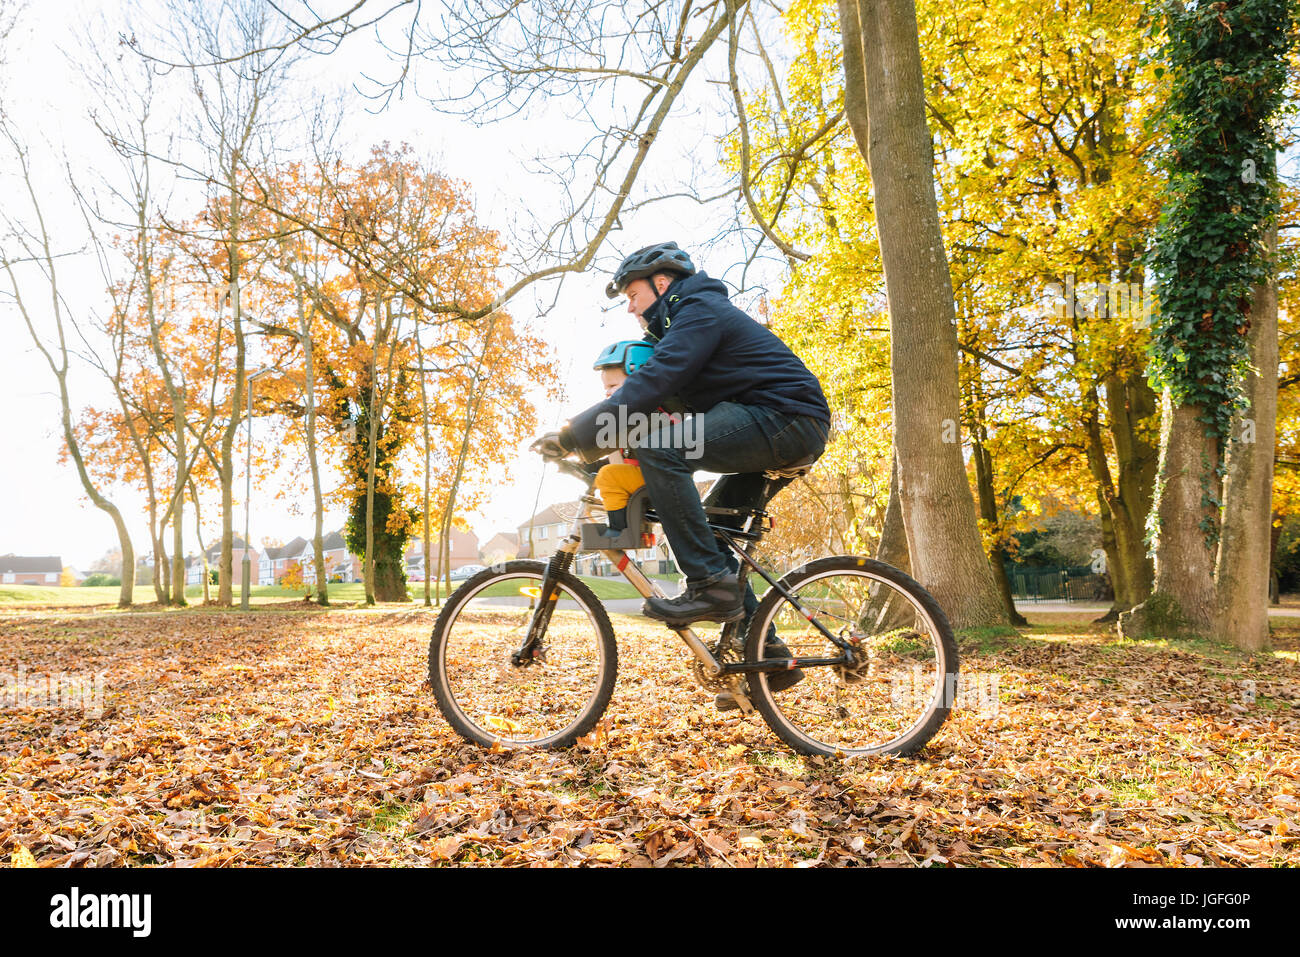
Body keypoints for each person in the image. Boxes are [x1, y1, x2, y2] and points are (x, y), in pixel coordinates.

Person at [535, 242, 830, 706]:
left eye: (632, 296)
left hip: (783, 419)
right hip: (775, 424)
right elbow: (651, 407)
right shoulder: (683, 324)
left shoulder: (699, 310)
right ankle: (768, 654)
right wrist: (590, 455)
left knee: (663, 454)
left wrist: (574, 436)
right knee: (712, 531)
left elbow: (653, 384)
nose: (630, 308)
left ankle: (709, 588)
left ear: (662, 283)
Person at [589, 340, 656, 539]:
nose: (607, 391)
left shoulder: (645, 413)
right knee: (605, 472)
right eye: (605, 387)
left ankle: (620, 532)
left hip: (656, 479)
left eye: (613, 385)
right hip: (648, 478)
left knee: (608, 475)